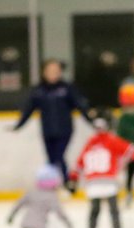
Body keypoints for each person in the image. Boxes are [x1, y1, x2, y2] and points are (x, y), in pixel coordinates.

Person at [13, 59, 93, 187]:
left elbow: (80, 105)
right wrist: (19, 124)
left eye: (56, 71)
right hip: (47, 130)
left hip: (64, 129)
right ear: (44, 72)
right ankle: (53, 184)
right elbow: (29, 109)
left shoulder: (67, 88)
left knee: (58, 156)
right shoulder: (39, 90)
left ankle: (68, 181)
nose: (53, 74)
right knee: (51, 159)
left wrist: (91, 120)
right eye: (50, 71)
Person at [69, 115, 134, 228]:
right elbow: (133, 151)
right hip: (108, 181)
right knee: (114, 211)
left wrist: (73, 179)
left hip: (92, 182)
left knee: (94, 210)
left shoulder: (90, 143)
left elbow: (79, 164)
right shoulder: (112, 140)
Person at [4, 164, 72, 228]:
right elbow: (60, 213)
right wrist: (68, 224)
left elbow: (19, 204)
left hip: (25, 224)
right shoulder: (52, 197)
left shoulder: (32, 192)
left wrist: (11, 216)